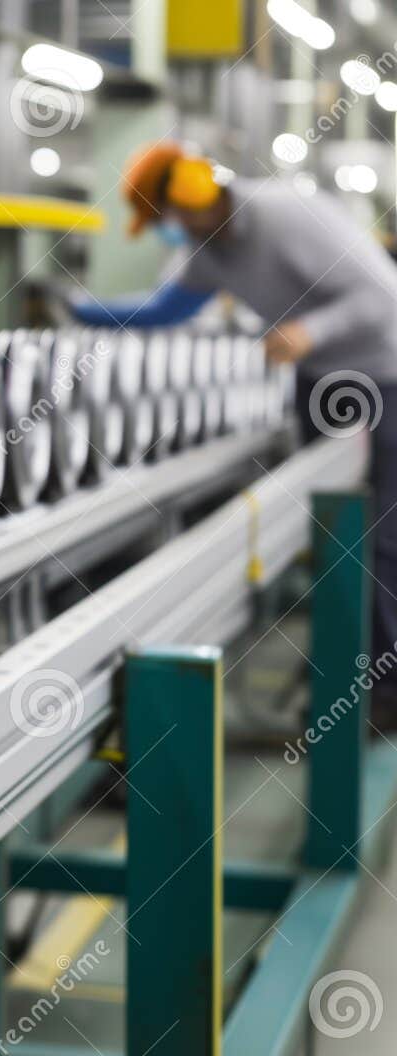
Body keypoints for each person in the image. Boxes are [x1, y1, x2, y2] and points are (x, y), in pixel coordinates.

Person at [72, 141, 397, 718]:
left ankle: (382, 682)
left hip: (384, 376)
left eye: (168, 215)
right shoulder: (209, 248)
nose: (168, 229)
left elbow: (380, 297)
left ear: (195, 194)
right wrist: (79, 309)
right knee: (335, 523)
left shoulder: (286, 216)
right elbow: (168, 310)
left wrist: (309, 332)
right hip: (320, 380)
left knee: (383, 528)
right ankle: (352, 655)